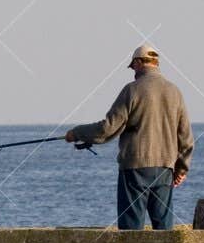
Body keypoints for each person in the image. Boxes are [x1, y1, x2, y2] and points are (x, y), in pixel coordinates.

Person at [65, 44, 194, 231]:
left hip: (135, 167)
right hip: (165, 168)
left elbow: (108, 128)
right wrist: (181, 169)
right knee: (164, 228)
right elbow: (186, 136)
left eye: (133, 66)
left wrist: (76, 133)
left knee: (131, 230)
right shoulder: (175, 92)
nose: (133, 71)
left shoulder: (132, 90)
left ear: (139, 62)